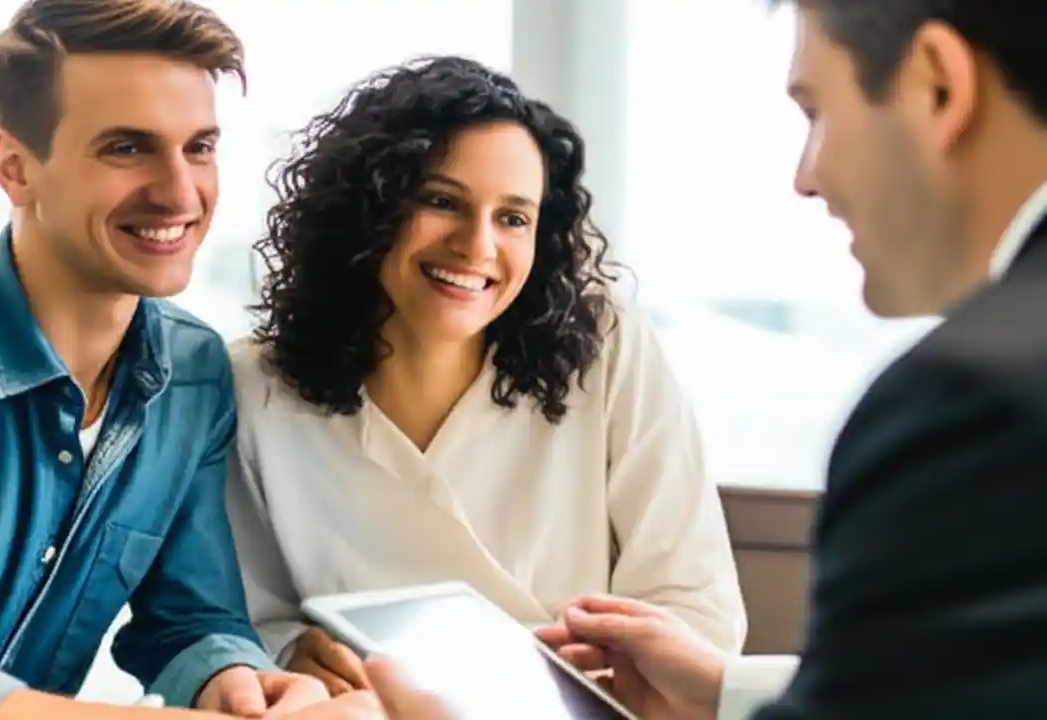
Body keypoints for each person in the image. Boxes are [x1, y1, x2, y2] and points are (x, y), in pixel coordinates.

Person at [0, 1, 385, 718]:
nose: (180, 193)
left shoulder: (192, 372)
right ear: (14, 167)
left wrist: (245, 686)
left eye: (200, 148)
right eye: (127, 148)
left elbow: (189, 621)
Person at [532, 1, 1047, 718]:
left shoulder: (973, 400)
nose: (807, 178)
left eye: (815, 113)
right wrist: (723, 690)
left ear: (938, 85)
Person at [224, 55, 747, 698]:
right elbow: (243, 617)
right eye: (442, 202)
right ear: (369, 211)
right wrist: (293, 650)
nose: (477, 247)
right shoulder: (255, 384)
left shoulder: (606, 346)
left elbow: (694, 607)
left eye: (513, 218)